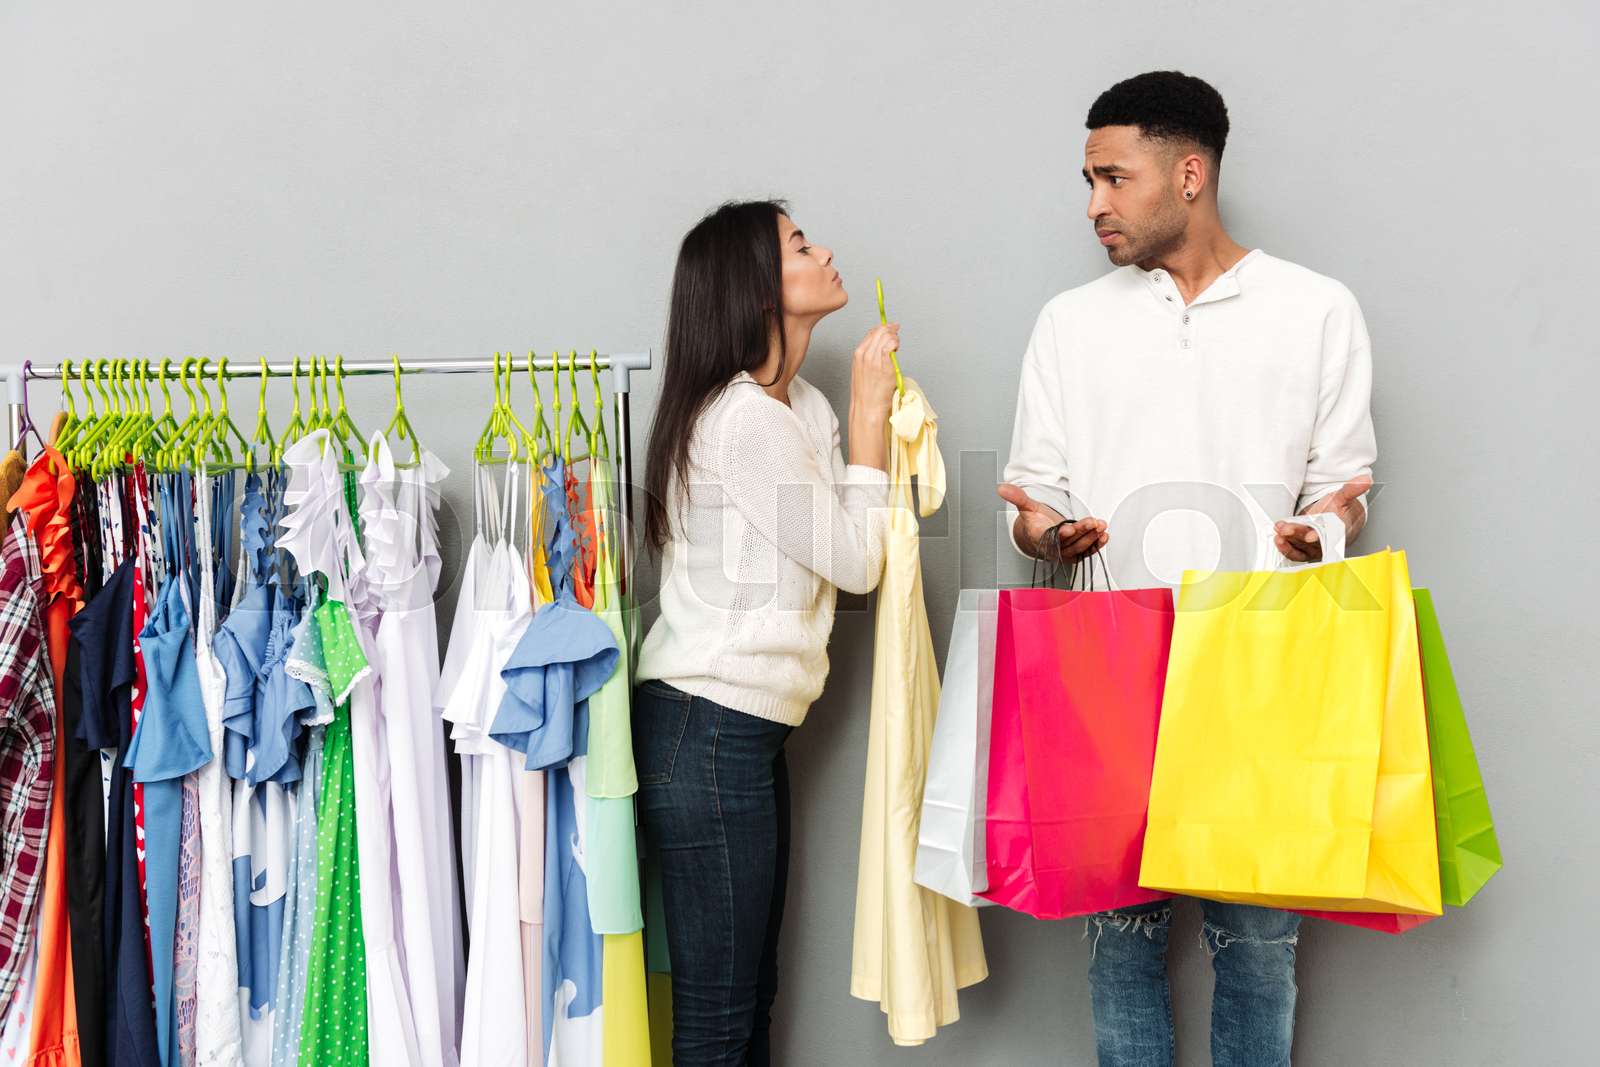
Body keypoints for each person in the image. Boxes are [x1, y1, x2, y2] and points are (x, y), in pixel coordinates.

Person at [998, 71, 1378, 1067]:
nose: (1094, 205)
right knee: (1119, 937)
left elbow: (1345, 485)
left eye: (1113, 178)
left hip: (1262, 658)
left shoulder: (1315, 309)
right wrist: (1049, 536)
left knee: (1257, 940)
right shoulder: (1069, 323)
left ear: (1189, 174)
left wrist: (1319, 533)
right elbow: (1030, 501)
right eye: (1088, 180)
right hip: (1107, 662)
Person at [633, 199, 900, 1065]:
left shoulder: (797, 409)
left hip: (736, 737)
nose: (824, 249)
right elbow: (859, 561)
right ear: (756, 289)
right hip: (706, 730)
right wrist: (871, 425)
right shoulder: (744, 419)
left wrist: (851, 421)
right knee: (718, 1020)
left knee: (750, 1004)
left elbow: (838, 530)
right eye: (797, 244)